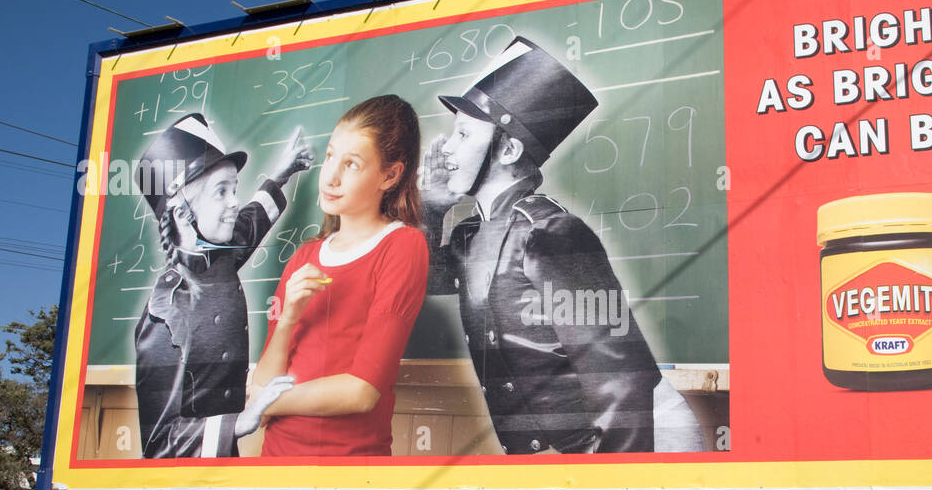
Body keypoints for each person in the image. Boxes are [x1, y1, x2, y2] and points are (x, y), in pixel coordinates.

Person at [421, 36, 704, 454]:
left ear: (510, 149)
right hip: (566, 451)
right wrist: (430, 209)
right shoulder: (470, 235)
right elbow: (420, 281)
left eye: (463, 133)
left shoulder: (552, 233)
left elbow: (621, 381)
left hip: (639, 438)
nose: (446, 148)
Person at [253, 95, 429, 456]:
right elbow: (263, 383)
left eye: (351, 164)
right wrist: (287, 319)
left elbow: (361, 391)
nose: (330, 176)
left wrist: (265, 402)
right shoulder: (305, 256)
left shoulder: (402, 246)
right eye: (330, 156)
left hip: (349, 476)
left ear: (390, 175)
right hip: (273, 468)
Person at [133, 113, 311, 458]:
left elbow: (250, 221)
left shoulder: (219, 259)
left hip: (221, 463)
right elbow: (159, 443)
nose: (234, 203)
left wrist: (281, 175)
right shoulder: (164, 313)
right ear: (183, 216)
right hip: (190, 476)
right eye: (221, 192)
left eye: (234, 189)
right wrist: (240, 423)